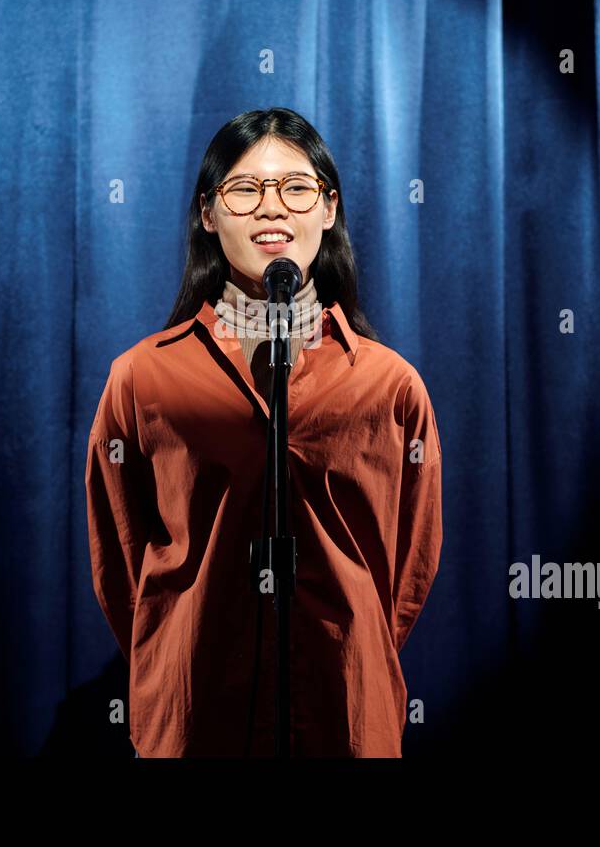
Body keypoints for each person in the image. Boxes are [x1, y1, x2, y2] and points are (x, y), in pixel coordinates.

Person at [85, 107, 442, 757]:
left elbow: (407, 566)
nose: (271, 208)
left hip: (345, 713)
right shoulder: (142, 378)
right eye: (245, 189)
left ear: (329, 209)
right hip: (192, 717)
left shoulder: (389, 385)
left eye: (297, 188)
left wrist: (347, 646)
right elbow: (122, 559)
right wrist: (173, 648)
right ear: (207, 213)